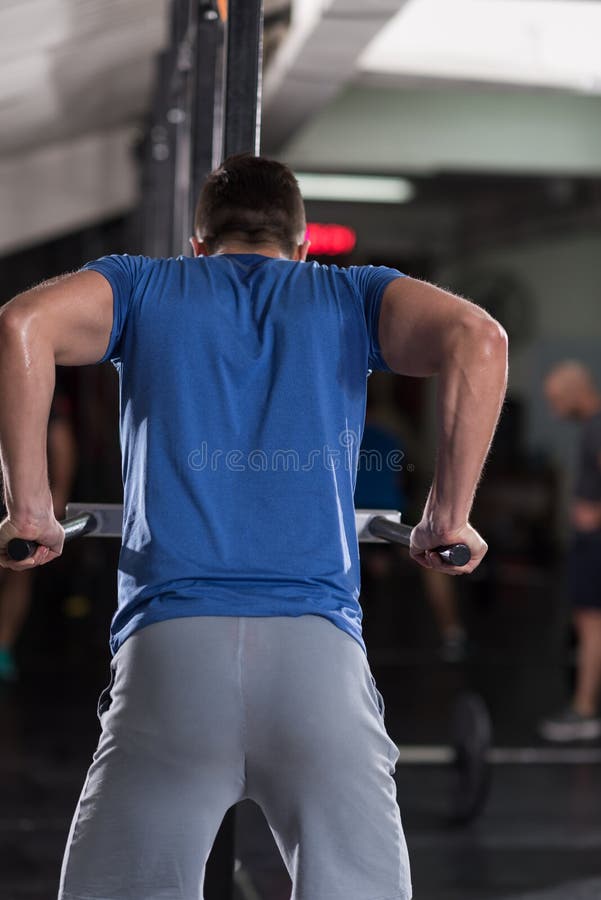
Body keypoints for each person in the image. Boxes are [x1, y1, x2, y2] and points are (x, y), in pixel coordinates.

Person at [0, 154, 507, 900]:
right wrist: (447, 516)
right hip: (318, 664)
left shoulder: (143, 286)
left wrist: (31, 507)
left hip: (171, 660)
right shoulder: (347, 293)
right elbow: (480, 339)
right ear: (301, 246)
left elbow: (22, 324)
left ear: (197, 244)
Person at [0, 374, 77, 682]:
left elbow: (60, 438)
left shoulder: (30, 372)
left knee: (19, 572)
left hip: (16, 495)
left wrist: (56, 498)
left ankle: (3, 646)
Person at [539, 361, 601, 742]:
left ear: (578, 392)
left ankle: (583, 709)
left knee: (591, 626)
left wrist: (594, 517)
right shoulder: (591, 427)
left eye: (557, 400)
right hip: (589, 543)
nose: (554, 409)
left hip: (594, 543)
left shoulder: (597, 427)